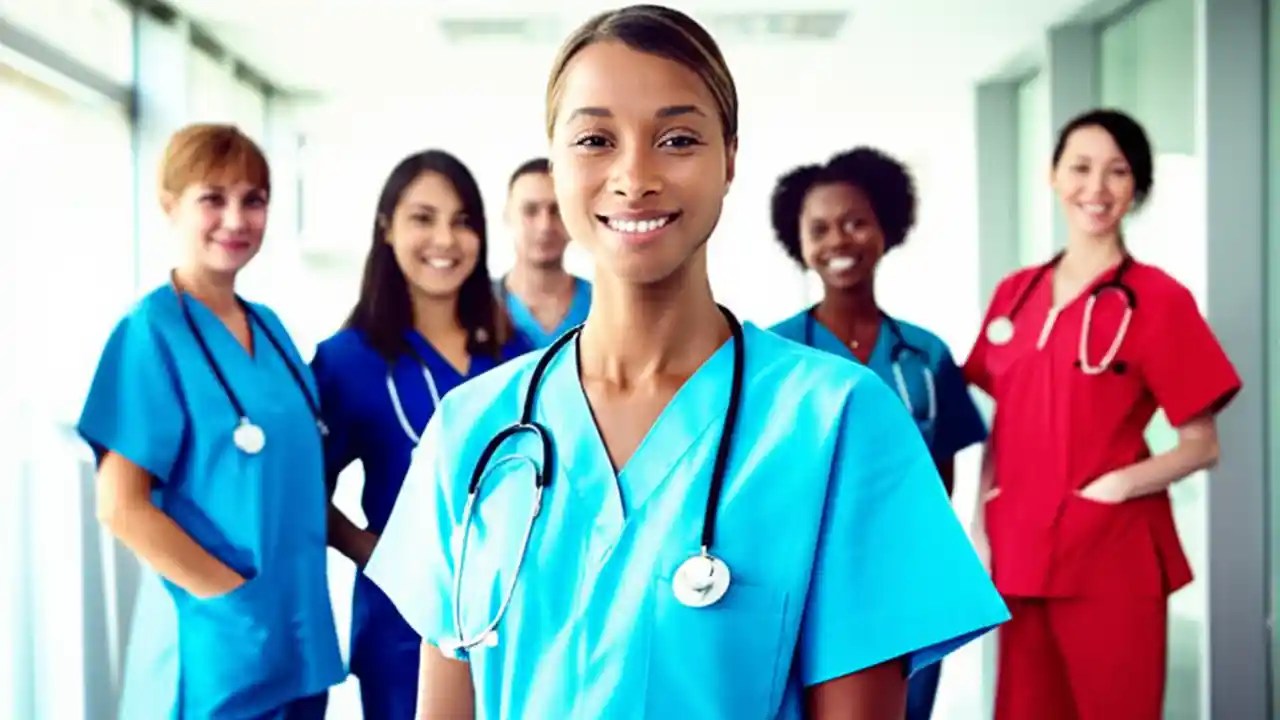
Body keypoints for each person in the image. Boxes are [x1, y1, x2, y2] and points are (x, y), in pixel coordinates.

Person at [363, 5, 1008, 719]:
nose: (634, 175)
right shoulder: (473, 428)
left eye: (676, 138)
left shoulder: (840, 422)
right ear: (555, 162)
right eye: (595, 139)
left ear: (730, 157)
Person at [964, 109, 1241, 720]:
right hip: (1021, 547)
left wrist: (1115, 487)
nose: (1097, 188)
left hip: (1112, 556)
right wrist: (980, 524)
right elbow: (1000, 421)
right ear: (1054, 176)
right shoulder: (1018, 293)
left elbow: (1202, 444)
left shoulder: (1159, 299)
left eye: (1117, 172)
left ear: (1136, 188)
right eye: (1081, 168)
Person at [77, 123, 344, 719]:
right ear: (169, 204)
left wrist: (373, 551)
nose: (236, 219)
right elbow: (121, 505)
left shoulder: (271, 328)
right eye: (213, 198)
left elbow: (291, 485)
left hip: (296, 634)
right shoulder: (150, 332)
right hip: (217, 648)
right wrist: (231, 601)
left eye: (254, 200)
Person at [767, 147, 989, 719]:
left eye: (855, 222)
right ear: (799, 245)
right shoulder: (773, 358)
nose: (839, 240)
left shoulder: (926, 354)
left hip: (908, 582)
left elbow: (942, 479)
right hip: (811, 583)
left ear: (886, 231)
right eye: (819, 228)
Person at [310, 149, 532, 720]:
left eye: (463, 221)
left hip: (515, 617)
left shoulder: (517, 354)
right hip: (401, 625)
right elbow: (310, 490)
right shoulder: (347, 360)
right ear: (387, 229)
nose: (445, 239)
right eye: (423, 218)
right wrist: (384, 556)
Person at [494, 157, 593, 347]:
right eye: (530, 211)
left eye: (557, 210)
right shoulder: (480, 307)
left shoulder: (603, 306)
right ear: (507, 215)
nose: (545, 226)